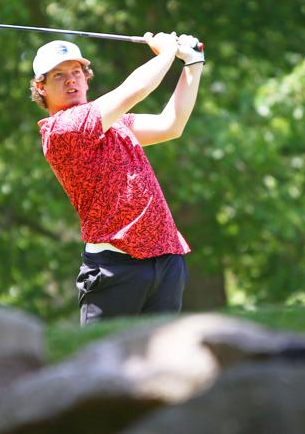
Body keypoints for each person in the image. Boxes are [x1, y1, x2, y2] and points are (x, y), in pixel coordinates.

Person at [31, 32, 204, 324]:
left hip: (165, 260)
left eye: (76, 72)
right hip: (115, 268)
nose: (71, 80)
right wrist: (165, 52)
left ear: (87, 79)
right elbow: (134, 90)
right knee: (102, 353)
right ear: (41, 88)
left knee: (160, 354)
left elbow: (170, 125)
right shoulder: (61, 129)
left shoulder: (114, 123)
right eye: (58, 75)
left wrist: (193, 63)